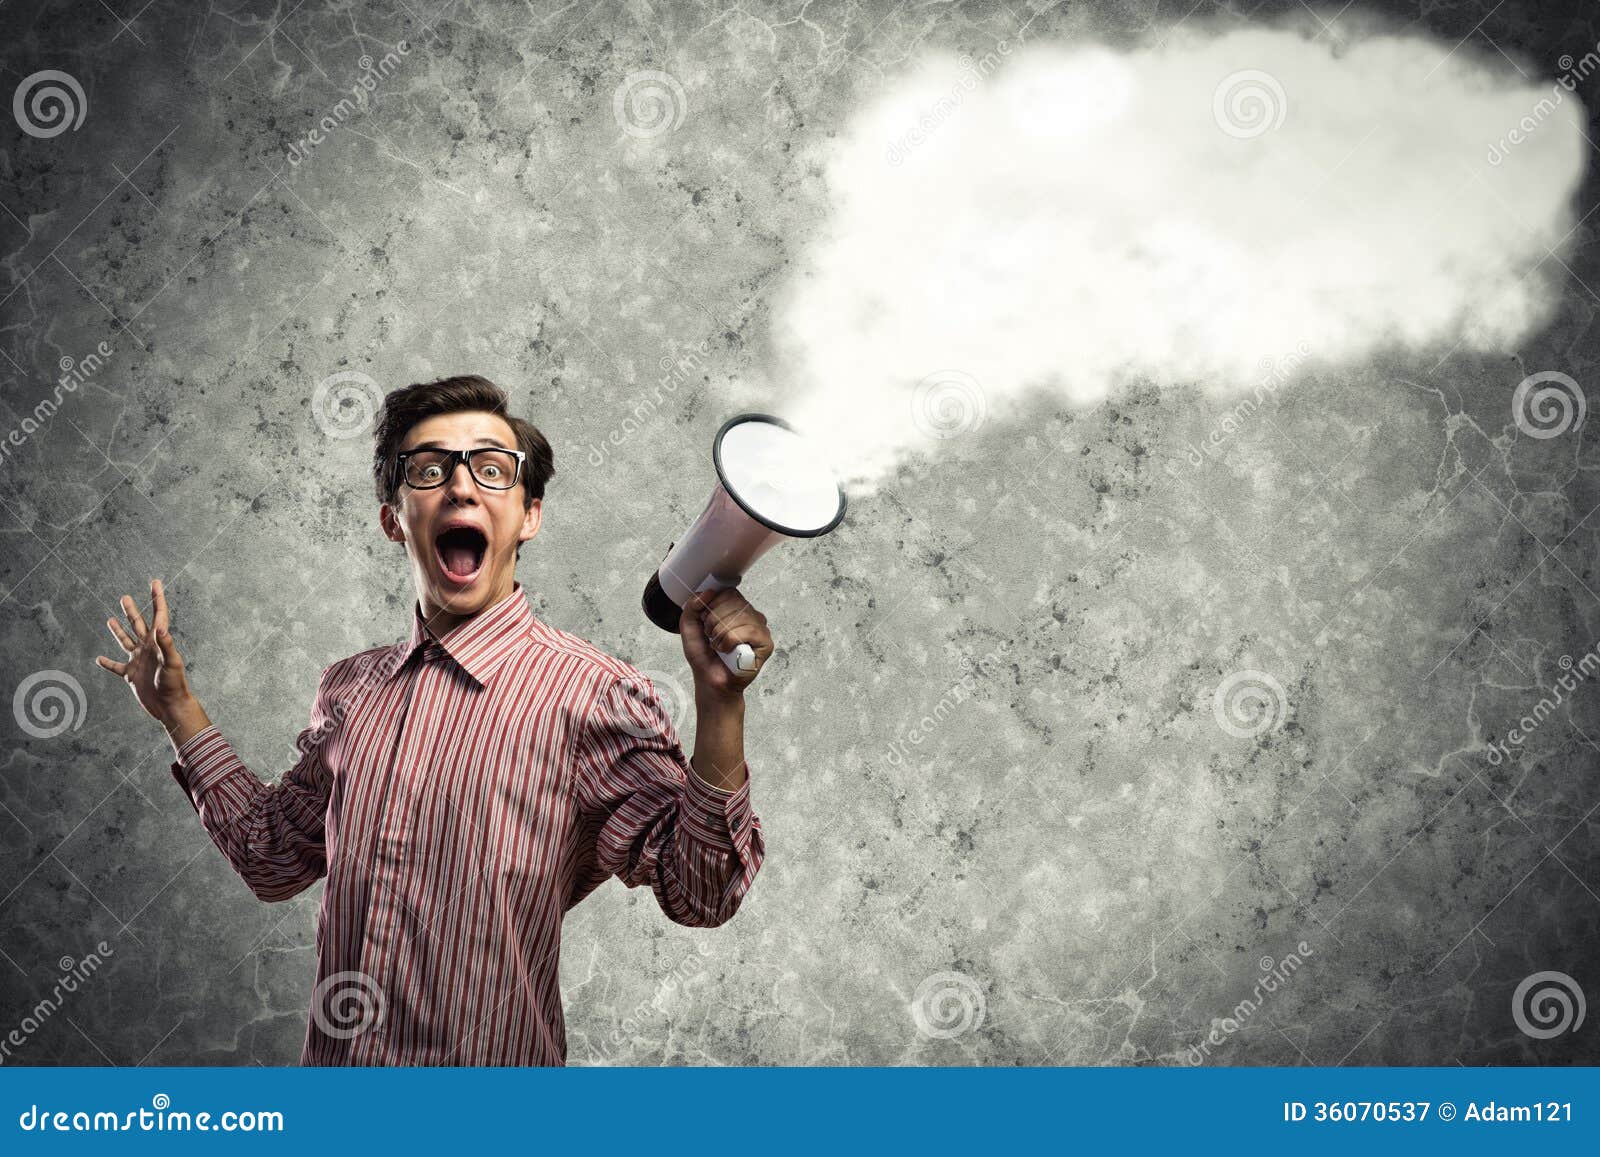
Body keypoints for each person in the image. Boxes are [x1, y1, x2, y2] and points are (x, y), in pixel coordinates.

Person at [94, 374, 770, 1065]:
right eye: (428, 469)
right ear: (394, 518)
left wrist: (721, 705)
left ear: (529, 514)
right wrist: (178, 709)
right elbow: (272, 858)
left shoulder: (595, 695)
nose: (460, 486)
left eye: (492, 468)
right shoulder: (350, 689)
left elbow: (703, 891)